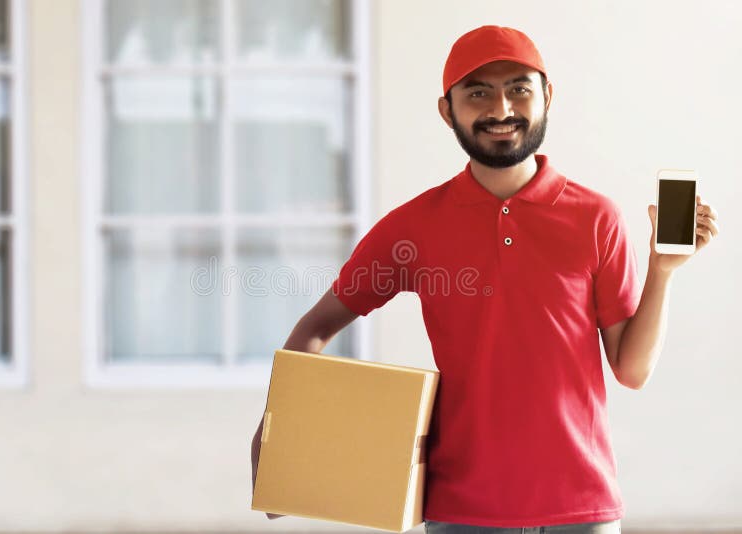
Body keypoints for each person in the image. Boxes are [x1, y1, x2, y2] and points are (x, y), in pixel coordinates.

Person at [250, 25, 719, 534]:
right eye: (478, 92)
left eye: (519, 88)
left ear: (547, 97)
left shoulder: (595, 217)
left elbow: (631, 370)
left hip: (582, 507)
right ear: (447, 110)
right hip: (460, 511)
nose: (501, 109)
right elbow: (317, 327)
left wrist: (662, 270)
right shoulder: (414, 227)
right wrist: (278, 433)